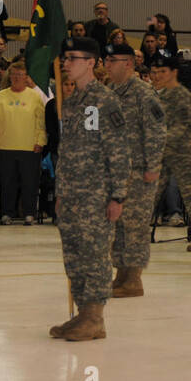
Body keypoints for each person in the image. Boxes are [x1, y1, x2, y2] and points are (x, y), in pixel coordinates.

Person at [49, 37, 131, 342]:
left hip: (96, 196)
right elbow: (67, 151)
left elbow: (118, 151)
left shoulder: (104, 101)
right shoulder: (71, 102)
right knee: (74, 255)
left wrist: (117, 195)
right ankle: (83, 313)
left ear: (90, 63)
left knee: (94, 255)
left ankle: (95, 318)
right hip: (71, 195)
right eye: (65, 59)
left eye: (73, 58)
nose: (66, 64)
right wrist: (60, 192)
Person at [102, 41, 165, 297]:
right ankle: (121, 274)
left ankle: (134, 279)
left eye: (111, 61)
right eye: (105, 61)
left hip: (139, 171)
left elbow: (157, 132)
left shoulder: (144, 93)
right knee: (117, 225)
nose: (106, 65)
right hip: (115, 172)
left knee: (135, 225)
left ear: (128, 63)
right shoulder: (108, 92)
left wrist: (152, 166)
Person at [150, 50, 191, 250]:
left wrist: (158, 139)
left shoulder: (182, 96)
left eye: (162, 71)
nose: (157, 76)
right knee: (150, 193)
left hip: (182, 154)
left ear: (173, 72)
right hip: (163, 155)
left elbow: (182, 128)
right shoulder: (161, 96)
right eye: (154, 72)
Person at [0, 60, 47, 225]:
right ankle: (7, 213)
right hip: (5, 146)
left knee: (30, 182)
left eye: (20, 75)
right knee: (7, 182)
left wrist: (40, 141)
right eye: (14, 75)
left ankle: (29, 213)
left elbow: (40, 121)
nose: (17, 78)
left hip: (30, 147)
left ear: (26, 77)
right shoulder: (1, 95)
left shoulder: (35, 96)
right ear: (10, 76)